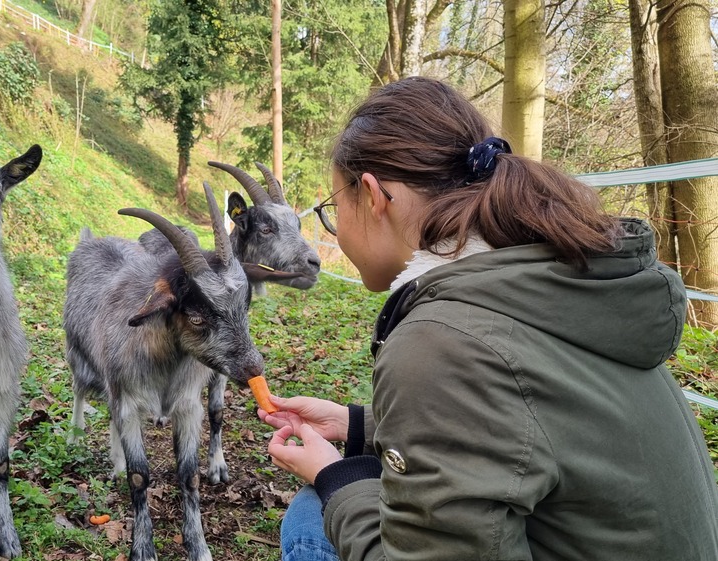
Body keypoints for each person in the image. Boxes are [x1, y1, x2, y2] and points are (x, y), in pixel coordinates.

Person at [258, 76, 718, 561]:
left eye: (333, 209)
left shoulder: (443, 342)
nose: (336, 228)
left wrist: (337, 476)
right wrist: (357, 425)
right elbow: (530, 422)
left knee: (313, 516)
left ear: (372, 195)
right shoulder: (549, 278)